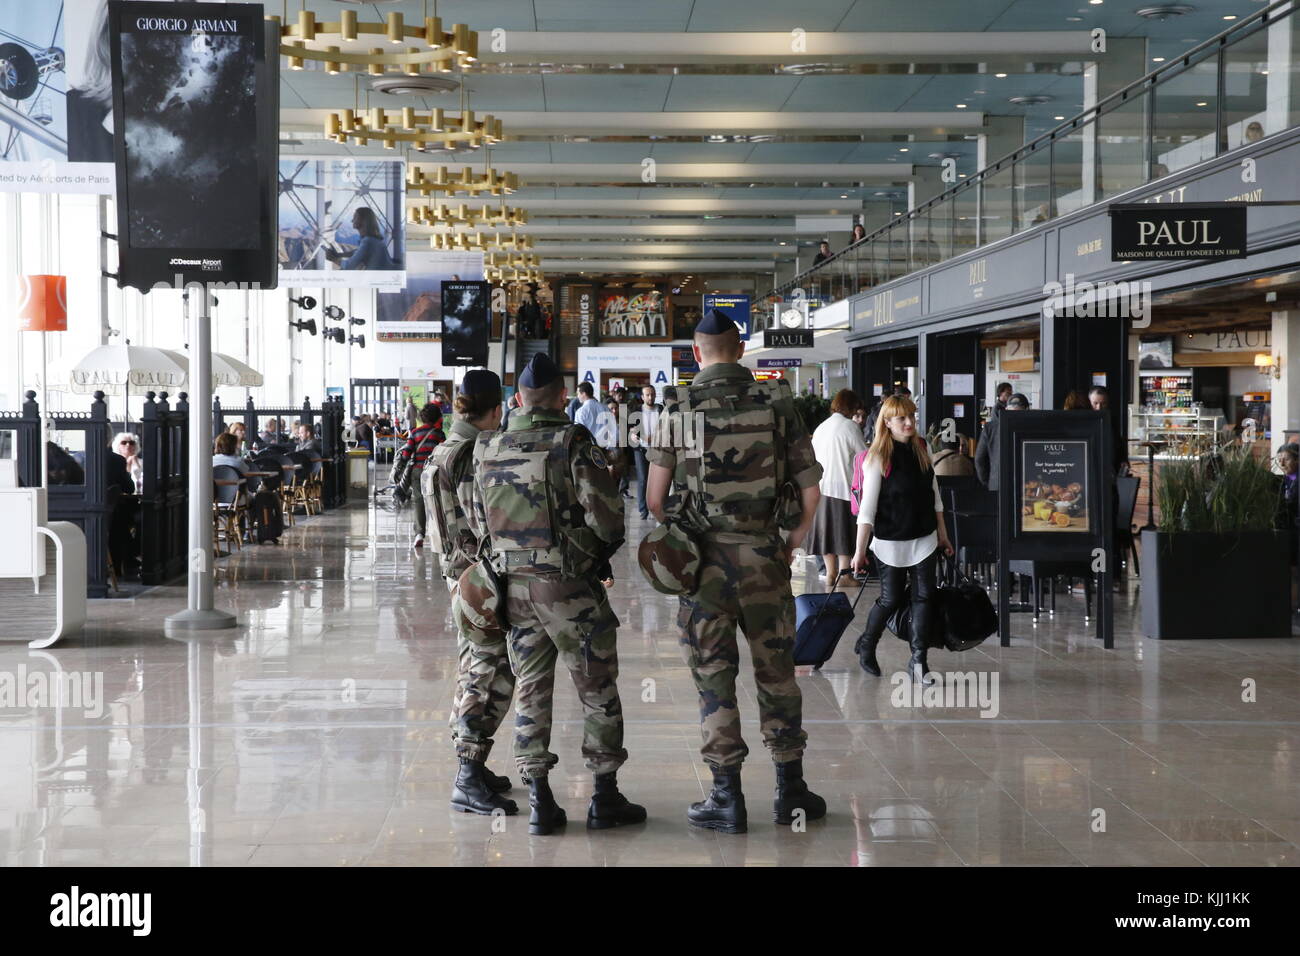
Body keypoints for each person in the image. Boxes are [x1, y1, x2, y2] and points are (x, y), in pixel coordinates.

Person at [646, 308, 826, 835]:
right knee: (777, 672)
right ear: (740, 348)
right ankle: (790, 788)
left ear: (697, 353)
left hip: (704, 569)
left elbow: (656, 499)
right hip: (766, 561)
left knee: (713, 678)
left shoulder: (678, 404)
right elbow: (811, 490)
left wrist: (686, 533)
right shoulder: (777, 402)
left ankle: (727, 798)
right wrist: (789, 543)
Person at [469, 353, 644, 835]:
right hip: (569, 589)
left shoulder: (490, 445)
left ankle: (541, 801)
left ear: (518, 398)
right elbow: (607, 518)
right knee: (597, 689)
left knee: (530, 688)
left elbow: (480, 523)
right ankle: (604, 797)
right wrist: (591, 557)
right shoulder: (572, 440)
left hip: (514, 591)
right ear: (563, 396)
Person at [421, 369, 517, 816]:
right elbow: (485, 520)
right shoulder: (474, 452)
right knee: (486, 672)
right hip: (479, 578)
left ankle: (475, 767)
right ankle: (466, 773)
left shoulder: (442, 448)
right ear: (495, 409)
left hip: (458, 575)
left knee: (478, 668)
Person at [850, 394, 955, 685]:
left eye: (912, 416)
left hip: (924, 538)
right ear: (887, 422)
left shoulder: (922, 448)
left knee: (924, 598)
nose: (909, 422)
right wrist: (859, 551)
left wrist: (943, 535)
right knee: (890, 598)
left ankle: (918, 661)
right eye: (902, 418)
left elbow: (935, 498)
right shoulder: (877, 457)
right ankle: (868, 644)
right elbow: (867, 510)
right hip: (890, 541)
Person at [807, 389, 867, 588]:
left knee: (826, 532)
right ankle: (845, 575)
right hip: (843, 486)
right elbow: (863, 456)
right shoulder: (849, 426)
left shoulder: (821, 427)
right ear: (850, 407)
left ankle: (831, 573)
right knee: (843, 531)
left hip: (821, 486)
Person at [393, 404, 445, 550]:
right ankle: (437, 533)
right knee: (436, 501)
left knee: (419, 501)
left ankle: (419, 534)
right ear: (437, 418)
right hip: (433, 471)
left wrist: (401, 466)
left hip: (417, 471)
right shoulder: (439, 434)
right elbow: (442, 453)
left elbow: (406, 453)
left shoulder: (415, 433)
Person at [975, 392, 1029, 490]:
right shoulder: (1032, 428)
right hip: (1025, 486)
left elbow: (979, 459)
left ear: (1006, 409)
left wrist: (989, 481)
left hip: (997, 485)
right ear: (1027, 410)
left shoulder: (990, 428)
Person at [324, 208, 398, 271]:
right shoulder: (374, 240)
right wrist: (339, 254)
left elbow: (348, 266)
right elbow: (358, 251)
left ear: (363, 220)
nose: (352, 220)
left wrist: (333, 258)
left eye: (355, 217)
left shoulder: (368, 241)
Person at [632, 384, 661, 521]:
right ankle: (643, 510)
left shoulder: (661, 410)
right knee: (643, 479)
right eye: (648, 395)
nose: (651, 397)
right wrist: (632, 435)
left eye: (653, 394)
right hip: (641, 449)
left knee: (658, 479)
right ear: (642, 397)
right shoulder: (636, 411)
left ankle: (657, 508)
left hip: (658, 449)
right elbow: (632, 430)